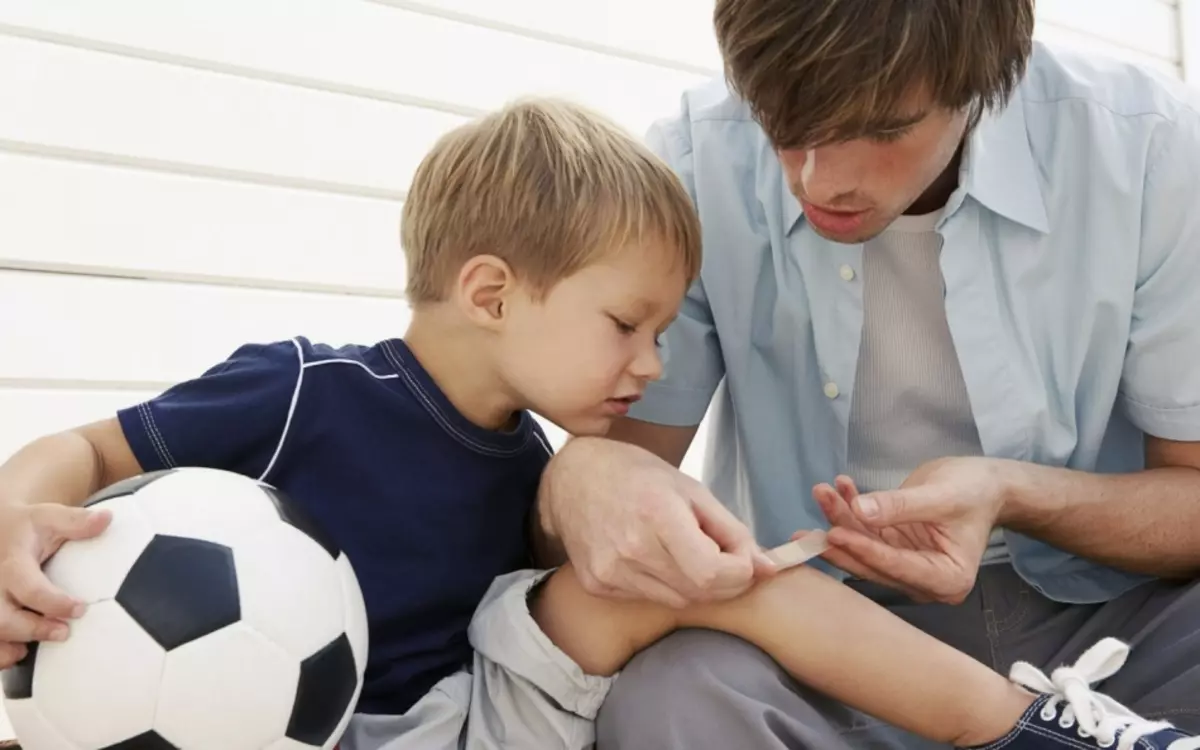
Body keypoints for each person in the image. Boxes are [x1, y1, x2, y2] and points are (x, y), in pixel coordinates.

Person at [0, 98, 1194, 750]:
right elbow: (91, 452)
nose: (656, 365)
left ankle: (1039, 737)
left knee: (697, 568)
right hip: (228, 720)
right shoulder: (305, 387)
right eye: (629, 324)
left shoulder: (536, 465)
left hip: (469, 726)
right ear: (491, 292)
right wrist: (13, 507)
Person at [535, 0, 1200, 748]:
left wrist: (1012, 493)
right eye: (781, 126)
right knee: (672, 696)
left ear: (986, 79)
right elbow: (625, 465)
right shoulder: (692, 163)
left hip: (1115, 617)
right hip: (824, 641)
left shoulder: (1150, 147)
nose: (821, 182)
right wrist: (584, 478)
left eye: (884, 130)